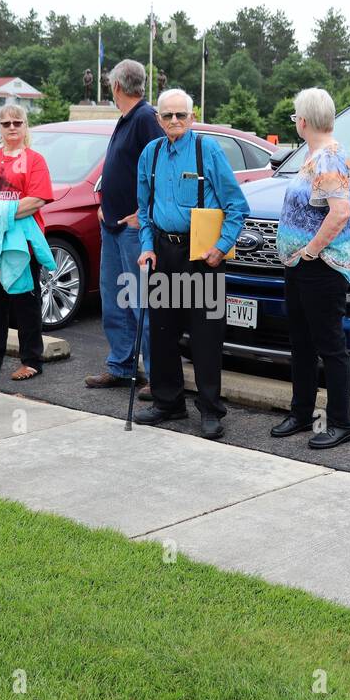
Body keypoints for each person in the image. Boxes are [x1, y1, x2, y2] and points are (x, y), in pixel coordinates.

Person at [133, 88, 248, 440]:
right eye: (167, 116)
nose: (174, 121)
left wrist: (221, 247)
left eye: (180, 115)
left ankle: (211, 409)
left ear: (192, 117)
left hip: (202, 256)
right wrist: (147, 246)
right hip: (164, 253)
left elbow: (237, 206)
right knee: (163, 333)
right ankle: (168, 402)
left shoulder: (207, 150)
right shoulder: (150, 154)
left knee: (205, 338)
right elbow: (144, 210)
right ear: (158, 119)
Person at [271, 88, 350, 449]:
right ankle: (302, 412)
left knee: (330, 345)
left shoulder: (330, 159)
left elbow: (341, 211)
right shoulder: (315, 156)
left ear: (303, 122)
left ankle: (340, 423)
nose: (296, 122)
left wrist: (310, 251)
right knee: (302, 343)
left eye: (295, 117)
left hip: (321, 266)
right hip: (301, 266)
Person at [84, 59, 161, 398]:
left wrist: (142, 214)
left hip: (133, 228)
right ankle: (121, 366)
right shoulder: (126, 119)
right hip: (112, 225)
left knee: (141, 302)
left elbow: (160, 168)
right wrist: (104, 205)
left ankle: (157, 377)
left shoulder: (145, 118)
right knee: (115, 299)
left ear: (116, 86)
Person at [0, 103, 54, 380]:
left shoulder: (35, 160)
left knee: (25, 302)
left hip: (21, 242)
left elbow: (36, 200)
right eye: (6, 123)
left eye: (18, 122)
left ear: (25, 125)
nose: (12, 127)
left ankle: (31, 360)